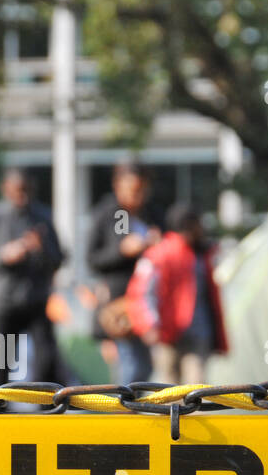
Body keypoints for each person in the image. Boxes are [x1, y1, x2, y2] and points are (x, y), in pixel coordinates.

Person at [0, 168, 65, 386]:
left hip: (36, 301)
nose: (23, 195)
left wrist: (40, 249)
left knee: (46, 359)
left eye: (27, 190)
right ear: (6, 189)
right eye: (19, 190)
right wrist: (4, 255)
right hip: (5, 303)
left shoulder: (42, 217)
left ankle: (46, 410)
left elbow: (58, 259)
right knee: (3, 363)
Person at [125, 203, 228, 385]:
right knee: (171, 389)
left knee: (191, 389)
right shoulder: (162, 254)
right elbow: (143, 292)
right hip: (168, 333)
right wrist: (150, 323)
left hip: (196, 334)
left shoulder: (200, 254)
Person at [85, 162, 165, 383]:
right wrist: (122, 251)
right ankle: (123, 413)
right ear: (118, 186)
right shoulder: (107, 214)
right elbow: (92, 258)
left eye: (141, 190)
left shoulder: (152, 214)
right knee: (131, 365)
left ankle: (134, 412)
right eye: (132, 189)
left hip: (147, 301)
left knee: (145, 366)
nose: (137, 196)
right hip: (118, 304)